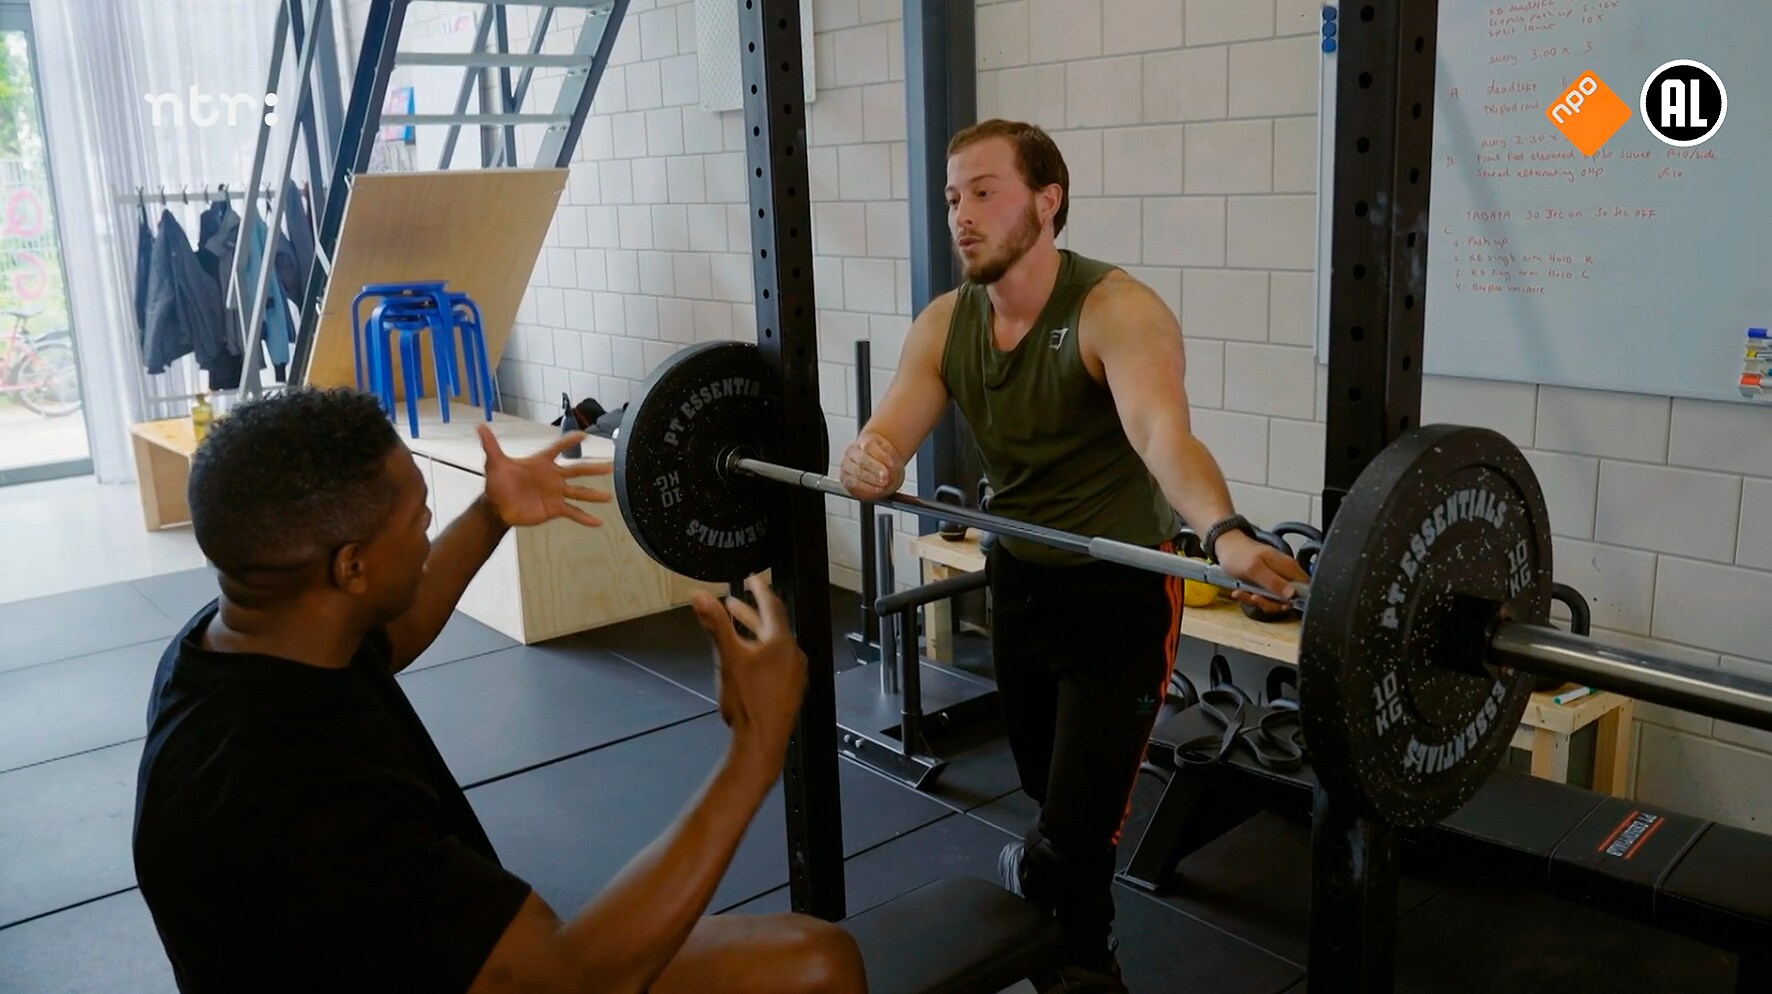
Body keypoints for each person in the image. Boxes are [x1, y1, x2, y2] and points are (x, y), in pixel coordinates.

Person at [132, 388, 867, 994]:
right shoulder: (295, 808)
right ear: (352, 567)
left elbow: (399, 626)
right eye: (417, 519)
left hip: (400, 959)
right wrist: (758, 746)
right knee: (819, 971)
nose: (427, 528)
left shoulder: (243, 642)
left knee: (811, 958)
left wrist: (491, 513)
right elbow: (568, 985)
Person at [839, 119, 1310, 993]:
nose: (961, 217)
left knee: (1080, 825)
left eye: (984, 193)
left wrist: (1226, 532)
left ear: (1046, 201)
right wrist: (868, 458)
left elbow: (1162, 435)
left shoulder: (1114, 311)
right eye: (952, 198)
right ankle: (1048, 890)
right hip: (1018, 583)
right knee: (1043, 796)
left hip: (1120, 592)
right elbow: (888, 432)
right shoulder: (946, 324)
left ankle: (1085, 967)